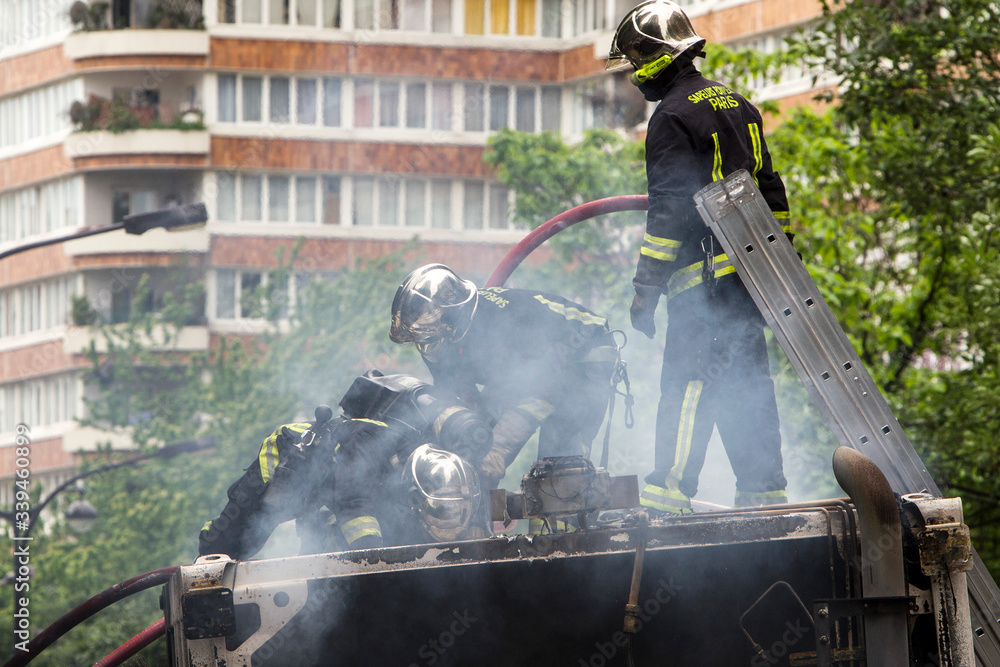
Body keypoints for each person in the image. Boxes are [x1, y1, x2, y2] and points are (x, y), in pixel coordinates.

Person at [606, 0, 791, 513]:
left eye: (634, 64)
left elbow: (667, 213)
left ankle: (666, 493)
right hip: (751, 284)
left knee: (689, 383)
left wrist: (646, 289)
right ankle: (764, 497)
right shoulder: (739, 105)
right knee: (748, 387)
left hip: (702, 284)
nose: (633, 78)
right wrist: (779, 269)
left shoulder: (671, 117)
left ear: (654, 59)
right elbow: (771, 190)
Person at [198, 371, 491, 560]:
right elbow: (352, 500)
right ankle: (210, 545)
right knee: (236, 542)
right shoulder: (372, 441)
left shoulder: (431, 463)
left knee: (325, 537)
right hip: (287, 463)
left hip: (328, 489)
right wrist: (371, 555)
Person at [389, 264, 619, 493]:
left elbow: (546, 386)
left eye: (431, 337)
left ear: (454, 321)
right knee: (476, 440)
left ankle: (568, 507)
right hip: (526, 371)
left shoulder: (503, 324)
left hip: (582, 354)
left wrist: (498, 447)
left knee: (559, 460)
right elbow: (457, 398)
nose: (427, 347)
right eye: (421, 340)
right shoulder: (439, 341)